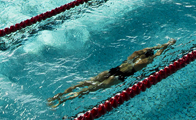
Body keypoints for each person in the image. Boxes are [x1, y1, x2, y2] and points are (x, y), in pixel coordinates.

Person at [47, 40, 176, 107]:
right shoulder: (147, 60)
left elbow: (152, 49)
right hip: (118, 77)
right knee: (90, 89)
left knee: (83, 83)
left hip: (112, 70)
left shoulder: (136, 54)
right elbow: (159, 53)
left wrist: (162, 44)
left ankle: (59, 95)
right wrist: (167, 46)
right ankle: (61, 101)